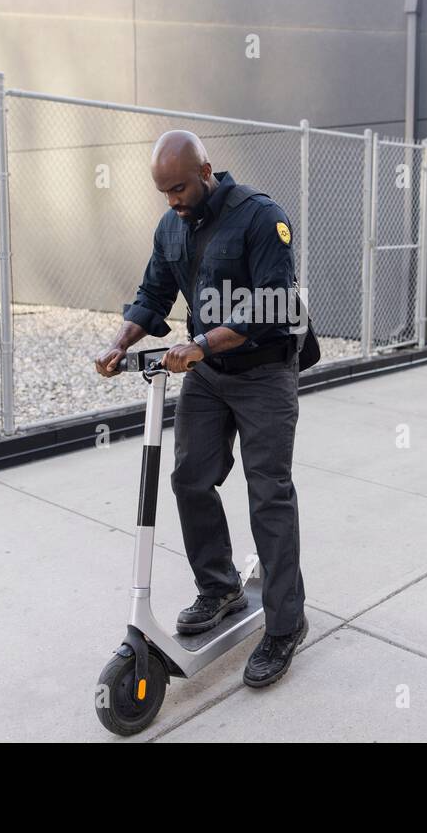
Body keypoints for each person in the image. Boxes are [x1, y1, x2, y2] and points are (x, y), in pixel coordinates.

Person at [94, 130, 308, 688]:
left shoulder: (262, 218)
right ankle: (219, 588)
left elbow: (275, 306)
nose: (172, 200)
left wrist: (202, 345)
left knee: (269, 494)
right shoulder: (170, 226)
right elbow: (154, 292)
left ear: (206, 170)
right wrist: (121, 341)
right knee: (190, 478)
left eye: (180, 187)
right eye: (163, 191)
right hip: (209, 377)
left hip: (264, 372)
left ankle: (285, 625)